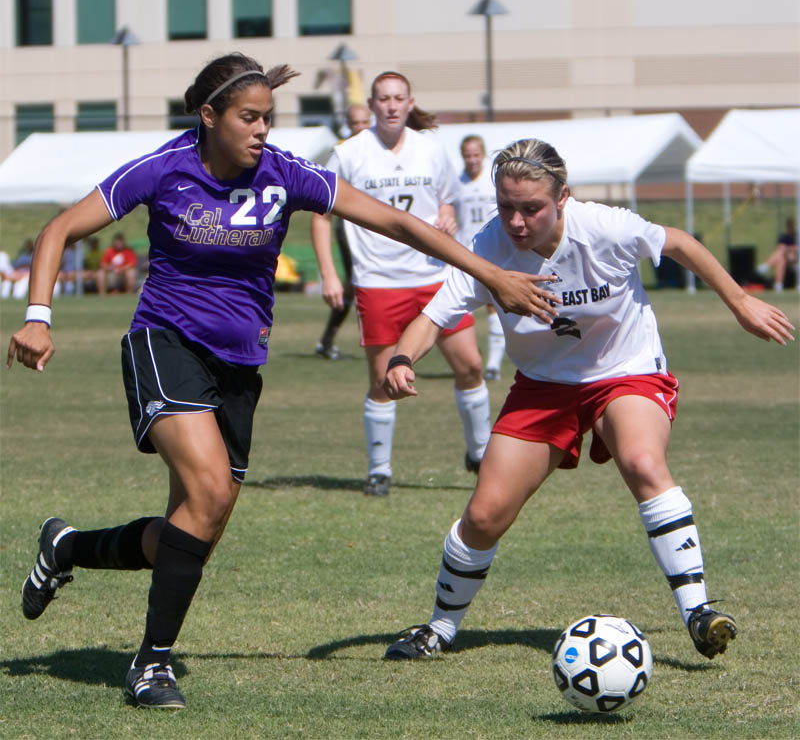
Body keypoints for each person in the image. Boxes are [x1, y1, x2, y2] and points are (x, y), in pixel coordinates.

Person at [8, 54, 556, 710]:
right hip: (165, 343)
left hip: (240, 368)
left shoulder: (285, 174)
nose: (262, 129)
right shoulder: (164, 167)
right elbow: (60, 229)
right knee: (209, 492)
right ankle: (152, 665)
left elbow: (401, 223)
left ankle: (66, 547)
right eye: (248, 117)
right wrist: (37, 317)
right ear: (209, 117)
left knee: (192, 527)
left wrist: (489, 274)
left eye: (268, 116)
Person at [381, 138, 794, 662]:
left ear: (563, 198)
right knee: (485, 516)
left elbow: (681, 244)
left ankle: (699, 611)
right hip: (542, 384)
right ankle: (438, 629)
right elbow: (433, 315)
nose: (517, 221)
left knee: (644, 462)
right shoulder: (487, 246)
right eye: (506, 206)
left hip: (626, 372)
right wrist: (401, 359)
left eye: (531, 208)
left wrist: (740, 302)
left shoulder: (604, 226)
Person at [311, 72, 498, 496]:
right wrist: (328, 273)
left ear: (410, 102)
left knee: (469, 365)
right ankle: (380, 470)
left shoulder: (431, 150)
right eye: (383, 99)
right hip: (379, 282)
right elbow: (321, 214)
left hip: (434, 277)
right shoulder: (349, 154)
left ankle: (480, 453)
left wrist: (447, 215)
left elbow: (446, 197)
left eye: (399, 98)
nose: (392, 106)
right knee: (383, 381)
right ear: (372, 105)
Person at [314, 102, 372, 360]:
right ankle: (373, 339)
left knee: (354, 286)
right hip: (351, 229)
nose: (360, 128)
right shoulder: (344, 154)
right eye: (355, 123)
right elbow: (325, 202)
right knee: (358, 281)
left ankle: (327, 341)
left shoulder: (381, 150)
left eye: (363, 122)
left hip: (378, 230)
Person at [455, 134, 506, 381]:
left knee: (493, 305)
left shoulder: (492, 181)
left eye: (476, 155)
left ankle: (494, 364)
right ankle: (468, 359)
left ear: (482, 155)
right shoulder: (457, 183)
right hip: (464, 251)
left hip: (491, 249)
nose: (472, 159)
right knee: (462, 305)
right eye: (467, 155)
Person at [757, 217, 797, 292]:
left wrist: (788, 248)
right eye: (789, 225)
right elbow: (779, 247)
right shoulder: (785, 237)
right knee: (781, 260)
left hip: (794, 258)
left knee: (782, 251)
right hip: (786, 257)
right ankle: (778, 286)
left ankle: (766, 265)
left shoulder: (797, 236)